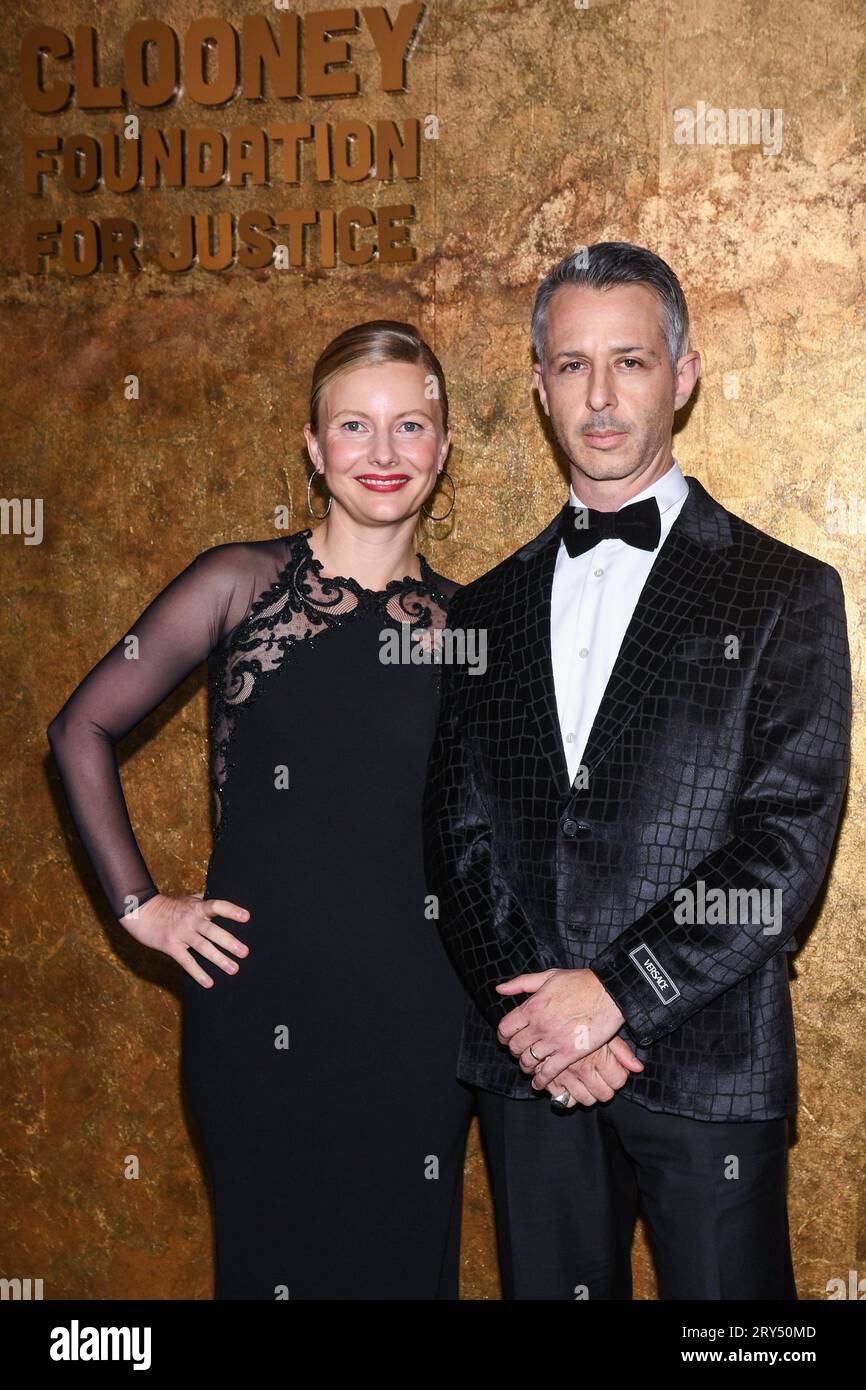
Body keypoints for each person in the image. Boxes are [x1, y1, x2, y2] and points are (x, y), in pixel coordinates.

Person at [423, 243, 852, 1300]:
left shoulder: (784, 590)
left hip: (705, 1058)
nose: (600, 397)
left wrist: (609, 998)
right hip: (529, 1070)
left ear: (683, 373)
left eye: (629, 361)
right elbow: (454, 838)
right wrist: (541, 1021)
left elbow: (781, 852)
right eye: (570, 366)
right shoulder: (478, 610)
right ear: (536, 387)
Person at [47, 320, 474, 1300]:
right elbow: (78, 730)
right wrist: (141, 906)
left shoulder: (471, 628)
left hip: (418, 1020)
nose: (380, 452)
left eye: (408, 426)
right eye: (353, 427)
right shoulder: (238, 586)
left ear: (441, 449)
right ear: (315, 448)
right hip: (260, 1011)